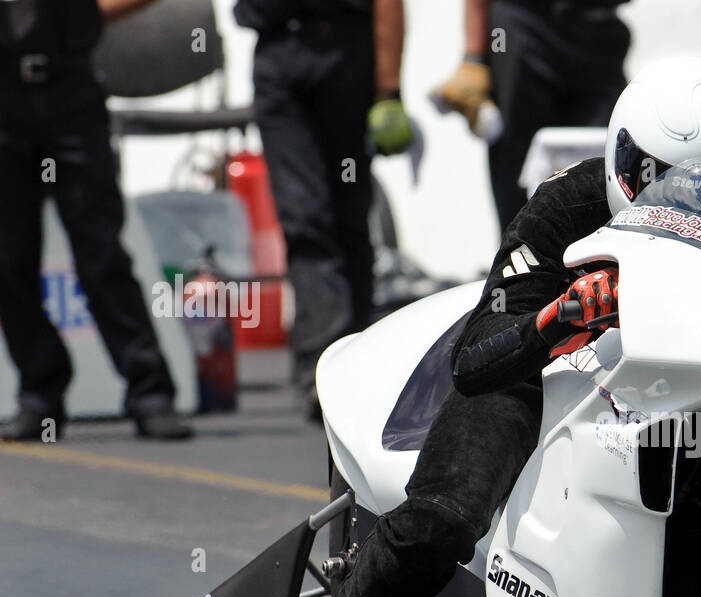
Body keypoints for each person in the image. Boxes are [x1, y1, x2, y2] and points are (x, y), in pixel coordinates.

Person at [281, 57, 701, 597]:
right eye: (674, 185)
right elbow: (475, 356)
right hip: (544, 370)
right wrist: (557, 321)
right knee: (449, 510)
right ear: (630, 167)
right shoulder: (564, 210)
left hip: (685, 375)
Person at [0, 0, 193, 442]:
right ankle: (40, 394)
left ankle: (149, 391)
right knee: (8, 258)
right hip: (4, 94)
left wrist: (82, 12)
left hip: (69, 86)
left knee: (101, 249)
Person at [233, 0, 413, 418]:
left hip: (346, 52)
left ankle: (360, 356)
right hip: (278, 51)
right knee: (303, 217)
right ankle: (325, 365)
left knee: (350, 216)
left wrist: (389, 90)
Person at [434, 0, 631, 233]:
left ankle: (594, 263)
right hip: (522, 26)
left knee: (602, 165)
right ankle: (517, 260)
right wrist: (473, 60)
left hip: (602, 28)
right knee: (517, 168)